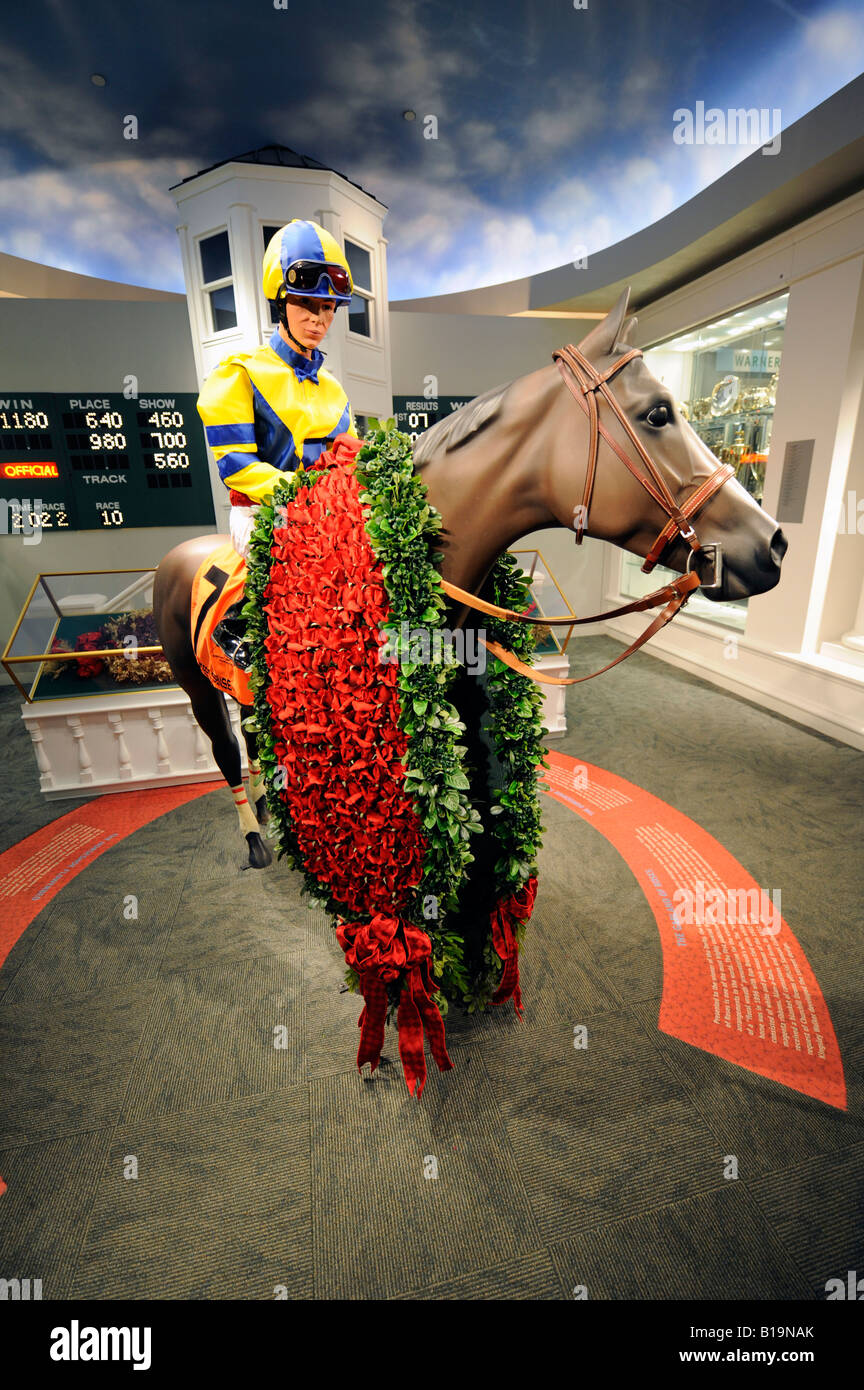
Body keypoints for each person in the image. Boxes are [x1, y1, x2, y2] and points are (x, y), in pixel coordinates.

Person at [196, 219, 359, 666]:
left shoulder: (335, 390)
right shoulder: (239, 374)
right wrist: (304, 499)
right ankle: (251, 658)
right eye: (307, 304)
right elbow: (238, 467)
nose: (319, 319)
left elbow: (348, 462)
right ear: (281, 302)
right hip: (264, 512)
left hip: (325, 513)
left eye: (328, 308)